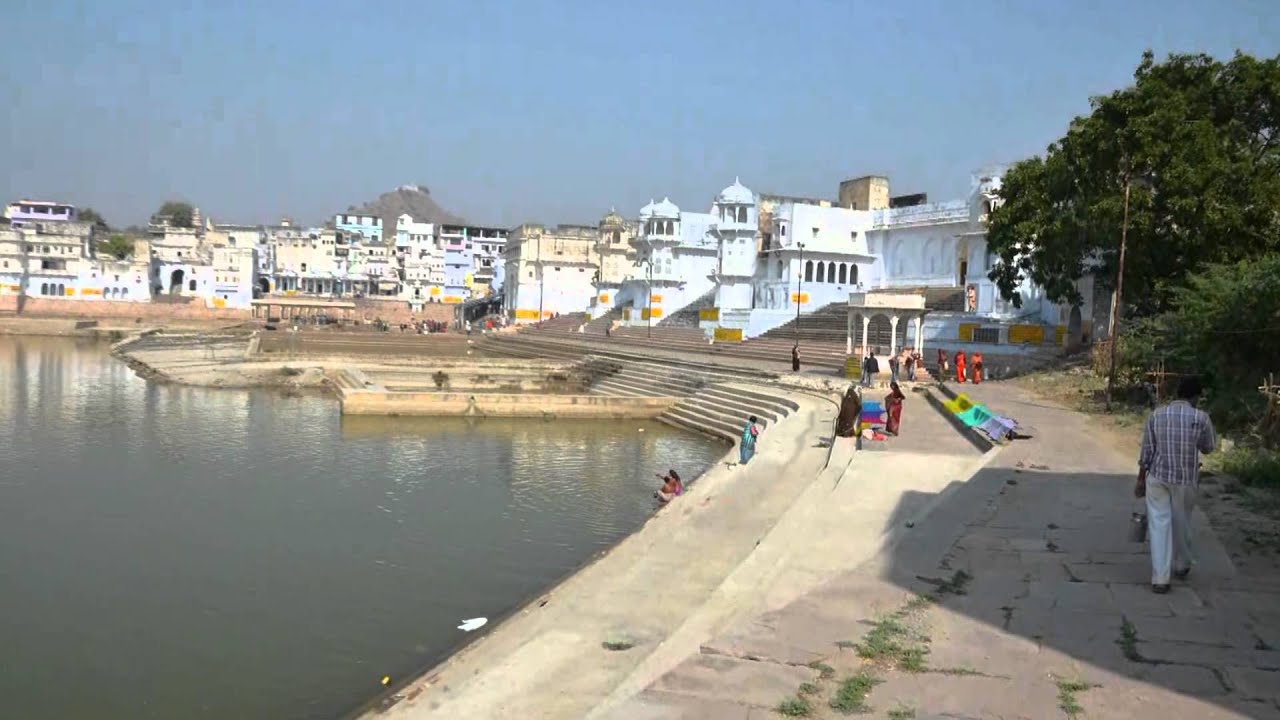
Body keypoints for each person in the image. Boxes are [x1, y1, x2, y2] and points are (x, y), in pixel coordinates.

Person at [1135, 377, 1216, 594]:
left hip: (1158, 477)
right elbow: (1209, 448)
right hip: (1185, 479)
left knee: (1159, 524)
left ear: (1178, 394)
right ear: (1195, 397)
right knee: (1181, 521)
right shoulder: (1201, 418)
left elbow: (1147, 452)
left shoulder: (1157, 415)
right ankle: (1181, 564)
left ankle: (1160, 579)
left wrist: (1141, 479)